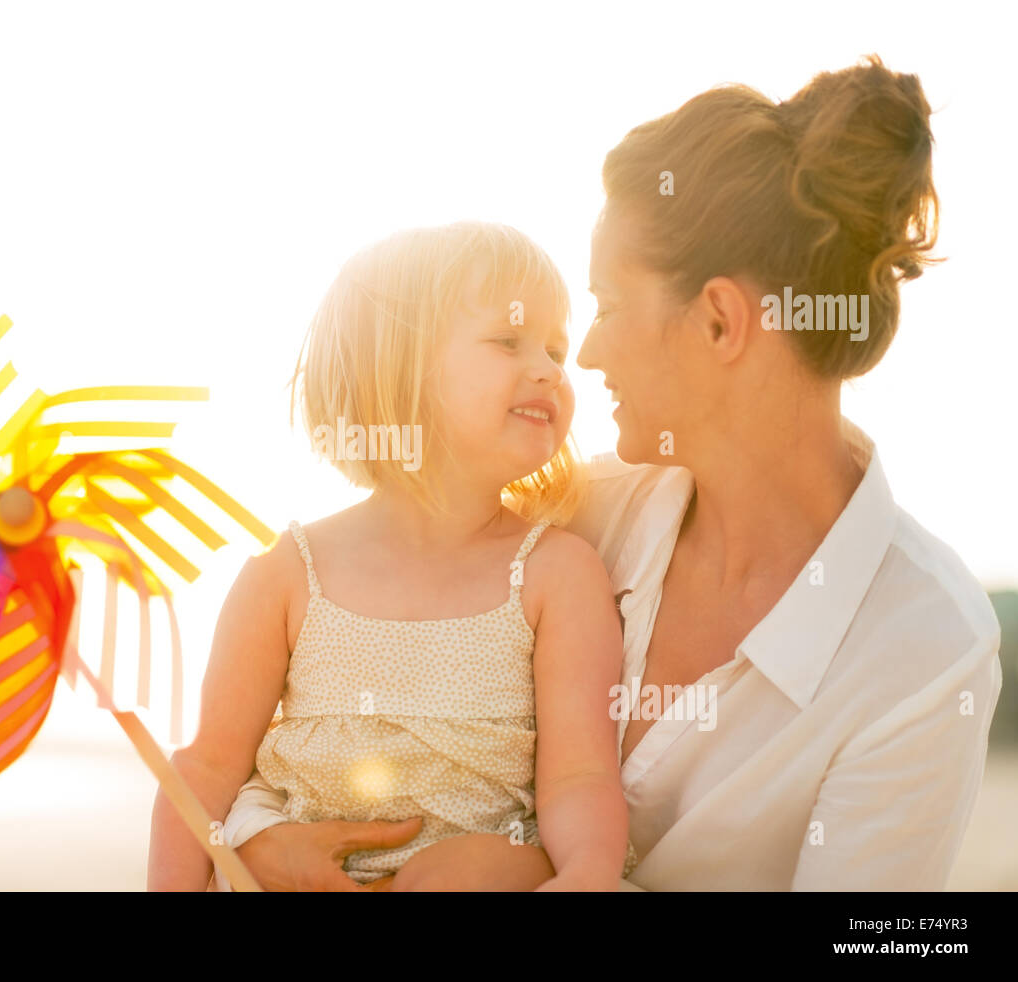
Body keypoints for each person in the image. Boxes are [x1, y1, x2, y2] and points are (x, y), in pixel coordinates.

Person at [216, 55, 1003, 891]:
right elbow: (328, 717)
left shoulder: (925, 651)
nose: (584, 355)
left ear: (719, 321)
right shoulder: (566, 512)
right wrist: (261, 839)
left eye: (608, 306)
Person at [146, 221, 631, 891]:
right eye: (508, 341)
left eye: (556, 348)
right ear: (400, 370)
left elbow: (580, 775)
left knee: (457, 877)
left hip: (482, 863)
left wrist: (588, 873)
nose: (549, 369)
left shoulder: (556, 573)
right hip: (306, 872)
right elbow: (205, 769)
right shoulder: (286, 572)